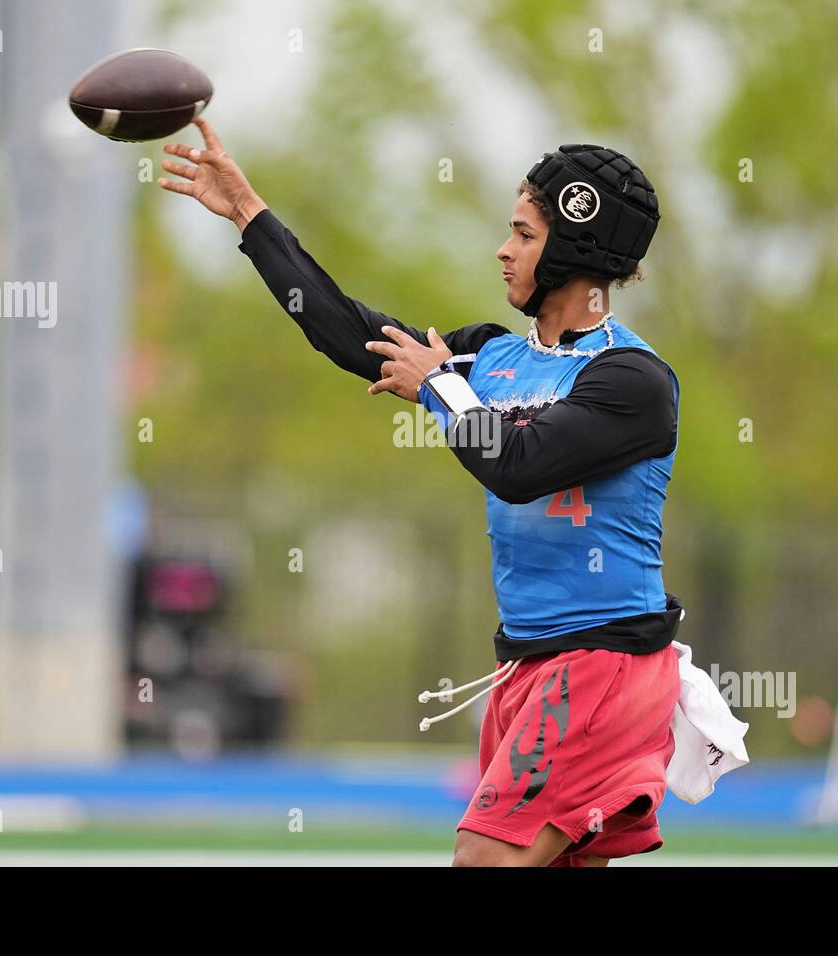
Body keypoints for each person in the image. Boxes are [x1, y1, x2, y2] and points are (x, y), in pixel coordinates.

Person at [159, 118, 682, 867]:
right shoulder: (491, 355)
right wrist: (249, 215)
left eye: (524, 235)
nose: (504, 250)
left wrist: (438, 387)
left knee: (485, 858)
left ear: (575, 248)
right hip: (530, 664)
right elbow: (345, 330)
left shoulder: (633, 380)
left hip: (600, 664)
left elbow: (517, 464)